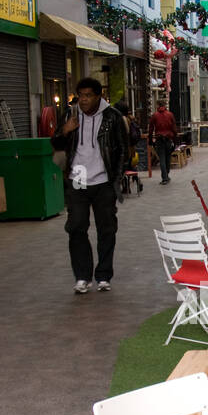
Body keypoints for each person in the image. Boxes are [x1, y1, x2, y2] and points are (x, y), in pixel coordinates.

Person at [52, 77, 129, 293]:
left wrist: (117, 176)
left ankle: (104, 275)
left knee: (107, 229)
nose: (83, 100)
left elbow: (123, 148)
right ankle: (82, 276)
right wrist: (64, 131)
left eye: (88, 96)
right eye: (80, 96)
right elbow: (56, 143)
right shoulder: (70, 114)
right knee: (76, 227)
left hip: (104, 181)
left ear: (98, 96)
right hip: (77, 178)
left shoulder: (112, 117)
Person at [148, 97, 177, 185]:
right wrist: (175, 138)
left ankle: (165, 177)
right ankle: (166, 174)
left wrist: (150, 139)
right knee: (168, 158)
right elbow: (174, 128)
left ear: (158, 105)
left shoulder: (155, 115)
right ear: (164, 105)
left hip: (159, 139)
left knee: (162, 159)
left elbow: (151, 128)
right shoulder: (170, 114)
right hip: (168, 139)